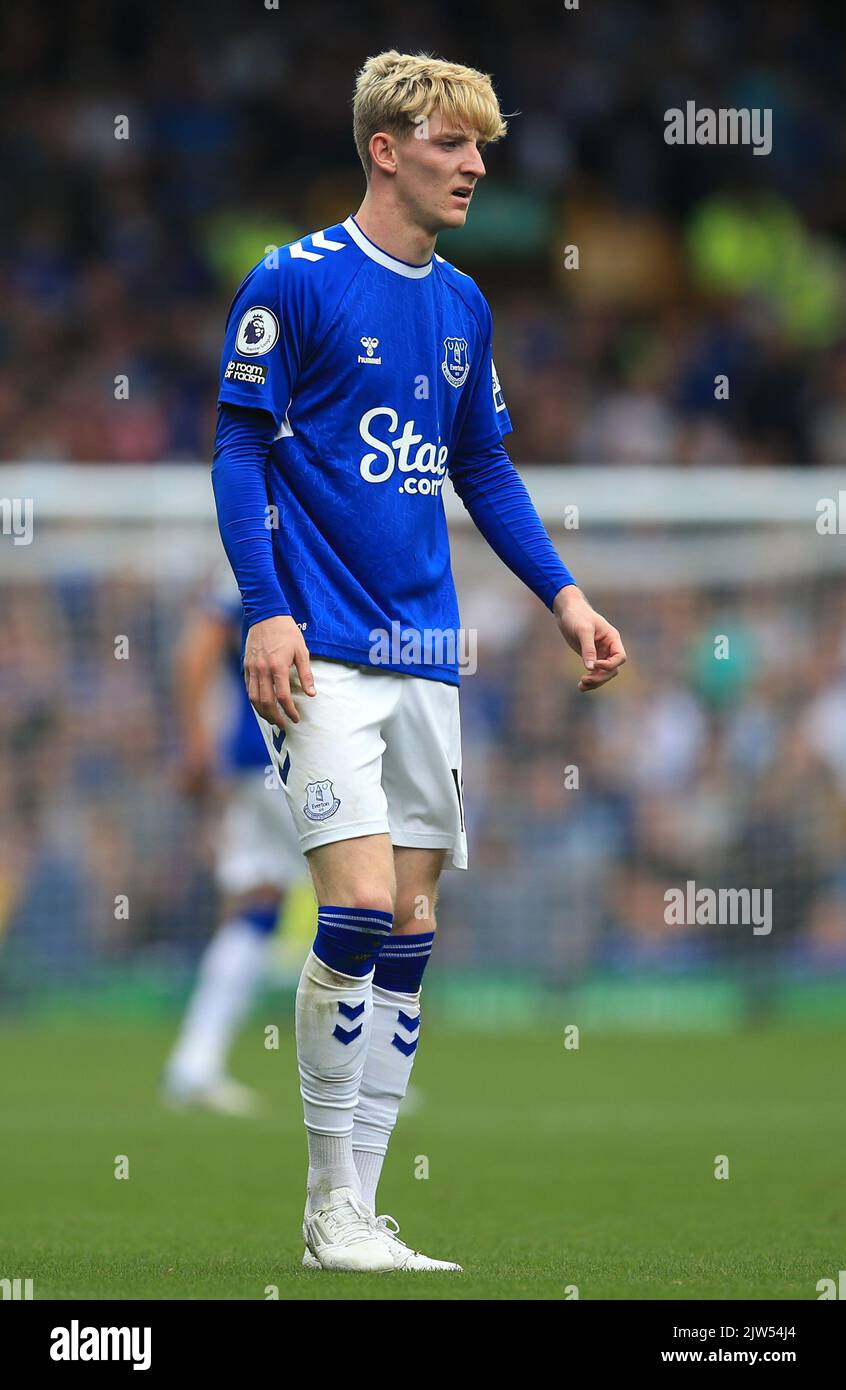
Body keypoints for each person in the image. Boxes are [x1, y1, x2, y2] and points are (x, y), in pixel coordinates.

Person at [211, 50, 625, 1271]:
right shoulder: (294, 280)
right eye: (453, 143)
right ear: (386, 150)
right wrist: (265, 610)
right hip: (323, 649)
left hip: (425, 650)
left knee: (410, 928)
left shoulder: (462, 306)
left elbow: (480, 465)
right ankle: (326, 1203)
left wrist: (564, 596)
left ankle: (365, 1209)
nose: (477, 165)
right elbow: (239, 451)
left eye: (482, 145)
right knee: (353, 905)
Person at [163, 564, 307, 1115]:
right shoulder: (271, 551)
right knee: (366, 893)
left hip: (256, 758)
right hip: (296, 752)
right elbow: (196, 651)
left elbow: (197, 652)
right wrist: (197, 743)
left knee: (260, 902)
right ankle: (366, 1075)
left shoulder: (253, 552)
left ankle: (194, 1064)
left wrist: (201, 744)